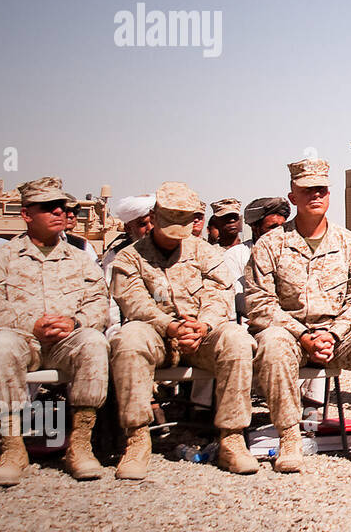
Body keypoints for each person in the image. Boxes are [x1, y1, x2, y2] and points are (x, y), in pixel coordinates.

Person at [245, 159, 351, 470]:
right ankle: (289, 437)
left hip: (335, 338)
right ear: (293, 197)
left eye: (321, 190)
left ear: (329, 195)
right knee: (272, 343)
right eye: (307, 190)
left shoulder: (347, 242)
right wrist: (303, 335)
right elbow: (259, 303)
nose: (315, 196)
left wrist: (332, 334)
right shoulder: (271, 244)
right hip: (290, 336)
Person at [109, 182, 258, 478]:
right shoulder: (129, 257)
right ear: (154, 216)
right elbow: (135, 303)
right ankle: (137, 440)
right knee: (129, 339)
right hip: (159, 338)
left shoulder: (205, 253)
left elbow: (220, 293)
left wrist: (203, 325)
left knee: (237, 339)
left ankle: (231, 439)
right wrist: (172, 327)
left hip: (200, 336)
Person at [0, 177, 110, 487]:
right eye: (48, 207)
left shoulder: (80, 259)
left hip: (65, 343)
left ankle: (80, 445)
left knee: (94, 342)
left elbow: (100, 301)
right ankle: (11, 449)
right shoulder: (0, 259)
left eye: (61, 206)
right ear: (26, 214)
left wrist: (76, 323)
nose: (59, 212)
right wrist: (29, 323)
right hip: (23, 341)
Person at [102, 195, 155, 273]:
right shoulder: (116, 258)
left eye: (154, 222)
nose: (150, 228)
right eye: (143, 224)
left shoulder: (173, 251)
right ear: (128, 228)